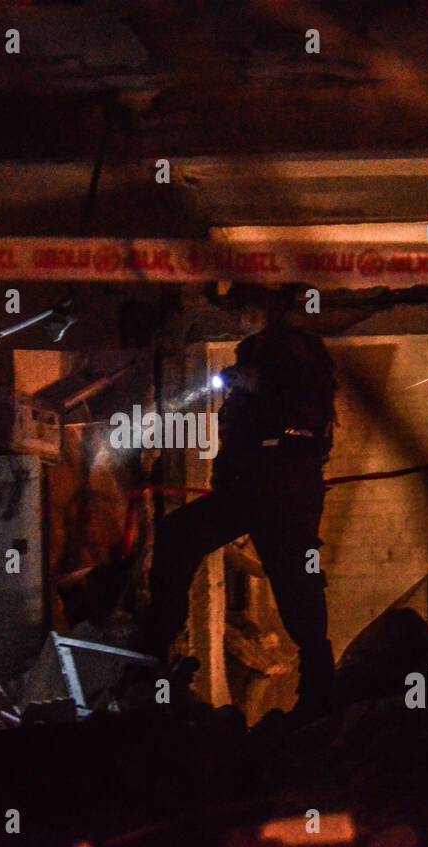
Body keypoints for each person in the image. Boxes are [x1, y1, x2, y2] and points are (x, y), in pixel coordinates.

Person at [142, 287, 337, 718]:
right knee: (182, 538)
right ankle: (159, 650)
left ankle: (319, 683)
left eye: (247, 308)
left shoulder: (295, 349)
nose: (241, 318)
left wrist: (250, 384)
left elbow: (302, 411)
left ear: (270, 307)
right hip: (253, 485)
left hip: (280, 484)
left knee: (293, 574)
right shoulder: (263, 350)